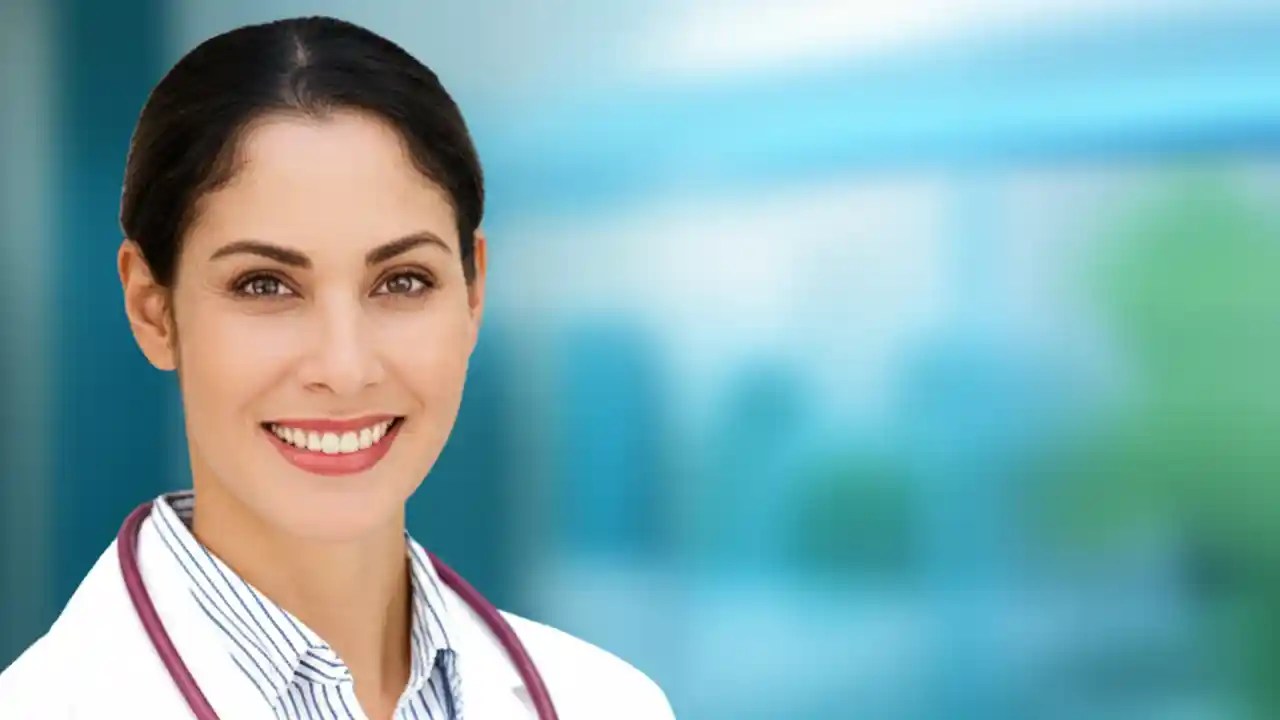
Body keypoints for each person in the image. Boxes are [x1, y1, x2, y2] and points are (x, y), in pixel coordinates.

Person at [0, 15, 674, 720]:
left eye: (403, 281)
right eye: (265, 285)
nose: (344, 368)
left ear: (473, 293)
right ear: (151, 309)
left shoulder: (608, 702)